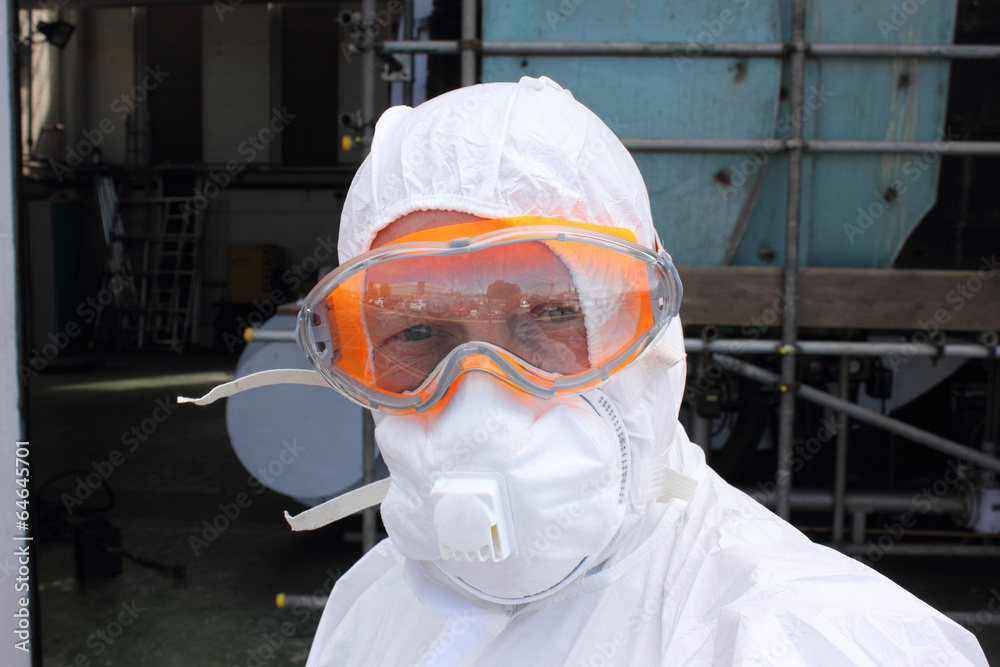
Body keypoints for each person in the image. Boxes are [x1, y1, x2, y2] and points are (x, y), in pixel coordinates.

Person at [292, 76, 989, 665]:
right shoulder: (371, 609)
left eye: (551, 313)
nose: (480, 390)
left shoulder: (808, 638)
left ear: (652, 333)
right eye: (417, 329)